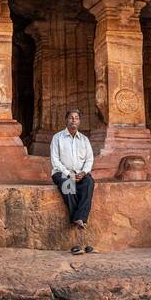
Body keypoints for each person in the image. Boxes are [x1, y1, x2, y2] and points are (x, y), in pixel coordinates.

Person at [50, 109, 95, 255]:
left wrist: (84, 172)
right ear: (66, 120)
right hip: (62, 173)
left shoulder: (84, 140)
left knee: (89, 183)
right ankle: (79, 224)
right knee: (69, 187)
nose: (73, 120)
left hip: (80, 174)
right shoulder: (58, 138)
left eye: (76, 118)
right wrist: (69, 174)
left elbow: (89, 159)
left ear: (79, 122)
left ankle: (78, 218)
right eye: (71, 118)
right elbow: (55, 160)